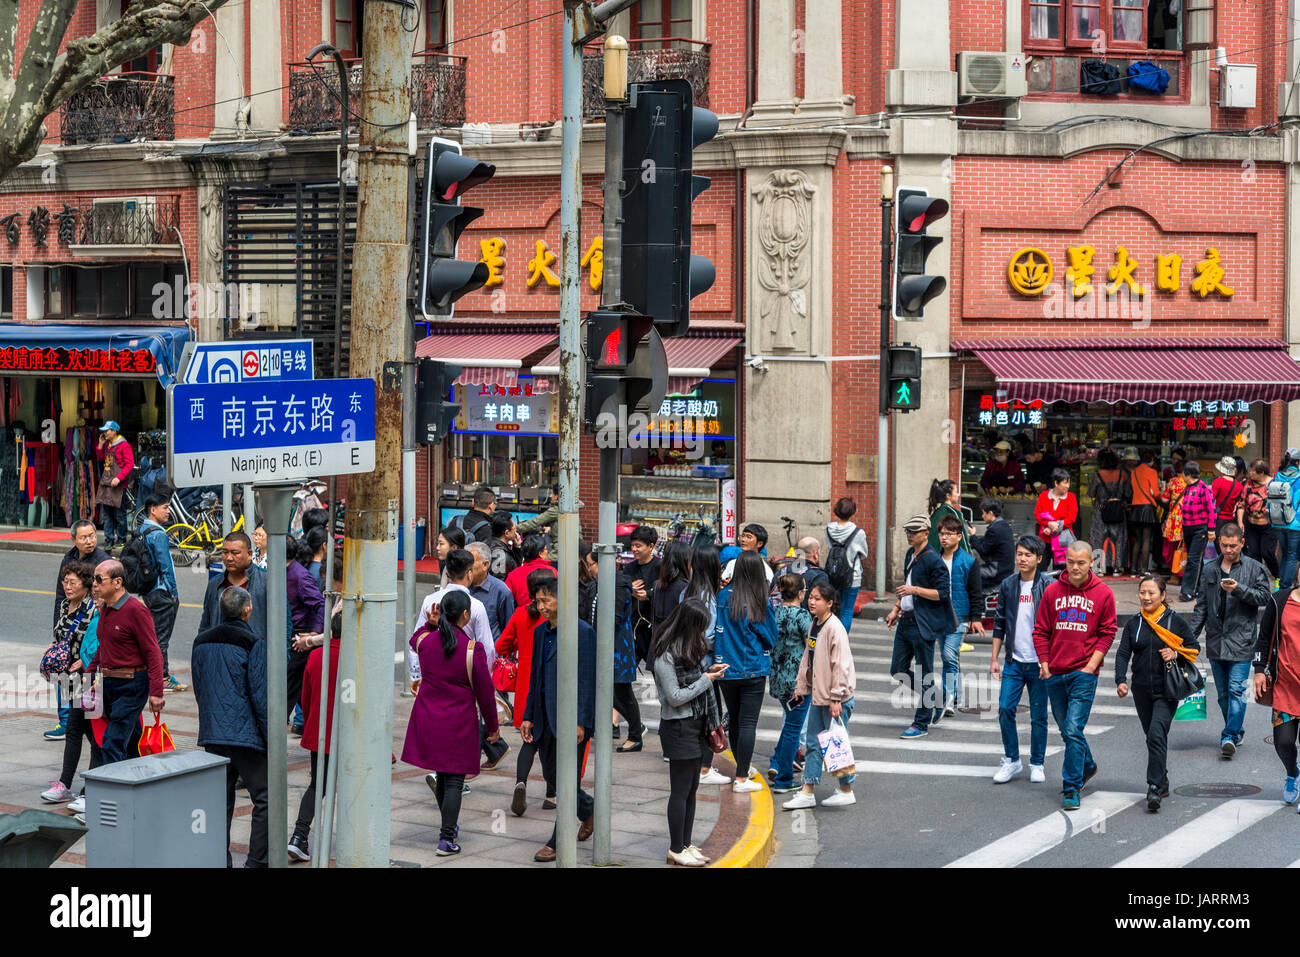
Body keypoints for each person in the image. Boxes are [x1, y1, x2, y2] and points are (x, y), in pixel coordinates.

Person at [402, 589, 500, 857]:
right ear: (465, 615)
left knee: (443, 776)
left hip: (428, 718)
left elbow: (414, 639)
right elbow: (485, 694)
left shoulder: (427, 642)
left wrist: (429, 623)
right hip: (459, 722)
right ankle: (446, 838)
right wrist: (493, 726)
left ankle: (449, 827)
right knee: (454, 780)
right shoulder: (472, 650)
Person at [1032, 541, 1117, 810]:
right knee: (1068, 730)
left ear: (1092, 561)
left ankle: (1071, 787)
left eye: (1081, 562)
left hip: (1084, 673)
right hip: (1055, 671)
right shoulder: (1053, 591)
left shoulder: (1103, 593)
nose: (1075, 567)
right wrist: (1044, 662)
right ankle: (1088, 764)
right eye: (1070, 562)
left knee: (1072, 728)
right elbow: (1041, 630)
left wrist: (1091, 666)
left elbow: (1107, 633)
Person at [191, 586, 269, 867]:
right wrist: (269, 737)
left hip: (213, 733)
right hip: (245, 736)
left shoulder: (201, 641)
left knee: (220, 801)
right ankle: (258, 861)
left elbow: (200, 688)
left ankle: (219, 859)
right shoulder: (253, 642)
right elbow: (260, 696)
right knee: (264, 797)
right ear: (247, 610)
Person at [521, 574, 597, 862]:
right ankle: (588, 809)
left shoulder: (582, 632)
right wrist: (528, 714)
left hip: (571, 720)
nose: (540, 606)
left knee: (566, 782)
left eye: (546, 599)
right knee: (554, 778)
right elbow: (535, 676)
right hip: (544, 718)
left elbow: (587, 679)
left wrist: (581, 721)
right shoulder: (541, 632)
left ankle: (557, 841)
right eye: (537, 601)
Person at [651, 598, 728, 866]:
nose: (702, 634)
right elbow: (674, 696)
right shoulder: (665, 655)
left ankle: (685, 843)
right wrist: (706, 680)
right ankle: (675, 848)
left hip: (697, 723)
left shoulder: (687, 650)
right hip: (679, 727)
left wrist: (709, 672)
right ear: (688, 625)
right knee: (680, 790)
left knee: (691, 789)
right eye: (699, 628)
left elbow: (692, 681)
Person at [1115, 575, 1200, 811]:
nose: (1146, 597)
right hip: (1141, 690)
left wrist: (1175, 653)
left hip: (1167, 690)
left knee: (1155, 735)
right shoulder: (1134, 624)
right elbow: (1123, 653)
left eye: (1151, 593)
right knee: (1153, 737)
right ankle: (1161, 779)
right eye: (1143, 592)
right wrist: (1120, 680)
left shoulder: (1174, 622)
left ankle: (1153, 787)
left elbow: (1193, 648)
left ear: (1163, 596)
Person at [1186, 523, 1270, 757]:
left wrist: (1239, 589)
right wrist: (1189, 638)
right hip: (1216, 640)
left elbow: (1264, 598)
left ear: (1242, 543)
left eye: (1233, 545)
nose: (1229, 550)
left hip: (1242, 641)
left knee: (1235, 691)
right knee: (1223, 695)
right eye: (1224, 545)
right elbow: (1201, 606)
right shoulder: (1211, 569)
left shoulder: (1254, 568)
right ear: (1219, 543)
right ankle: (1236, 730)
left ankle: (1229, 736)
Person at [418, 548, 504, 770]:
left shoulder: (430, 600)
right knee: (465, 724)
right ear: (469, 574)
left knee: (437, 722)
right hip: (466, 675)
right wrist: (483, 678)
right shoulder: (475, 605)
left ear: (447, 572)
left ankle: (442, 768)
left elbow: (417, 639)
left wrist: (416, 674)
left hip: (434, 675)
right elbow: (487, 649)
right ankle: (460, 771)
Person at [782, 581, 857, 809]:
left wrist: (836, 698)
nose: (811, 602)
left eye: (817, 599)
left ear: (830, 603)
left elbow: (841, 666)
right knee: (814, 744)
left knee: (835, 745)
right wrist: (801, 685)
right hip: (820, 696)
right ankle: (807, 791)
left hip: (835, 698)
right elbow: (808, 656)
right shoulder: (815, 623)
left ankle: (846, 790)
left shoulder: (835, 628)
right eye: (811, 597)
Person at [85, 559, 165, 766]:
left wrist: (156, 692)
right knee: (130, 742)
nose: (94, 584)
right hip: (109, 685)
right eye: (93, 579)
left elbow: (153, 652)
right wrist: (88, 677)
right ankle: (137, 783)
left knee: (112, 743)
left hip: (132, 685)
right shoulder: (105, 609)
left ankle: (113, 793)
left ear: (117, 582)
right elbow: (104, 647)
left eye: (99, 579)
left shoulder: (136, 611)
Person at [886, 514, 956, 738]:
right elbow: (907, 586)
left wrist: (915, 590)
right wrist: (896, 609)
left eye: (913, 532)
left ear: (926, 534)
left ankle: (921, 723)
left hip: (922, 623)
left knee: (925, 674)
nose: (909, 534)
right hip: (905, 620)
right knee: (897, 669)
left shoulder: (934, 560)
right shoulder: (910, 553)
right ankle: (936, 697)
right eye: (907, 531)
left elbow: (943, 593)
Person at [990, 535, 1052, 784]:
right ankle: (1012, 759)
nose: (1022, 559)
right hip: (1014, 661)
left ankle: (1037, 763)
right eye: (1019, 554)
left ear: (1038, 558)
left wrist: (1049, 660)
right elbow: (1000, 622)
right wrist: (994, 658)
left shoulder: (1047, 586)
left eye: (1028, 555)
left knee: (1039, 715)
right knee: (1005, 707)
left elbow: (1054, 626)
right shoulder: (1008, 585)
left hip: (1040, 663)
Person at [714, 550, 777, 792]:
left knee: (736, 719)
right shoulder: (758, 599)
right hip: (752, 669)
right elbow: (770, 637)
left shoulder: (721, 597)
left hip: (725, 669)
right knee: (748, 722)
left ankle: (741, 768)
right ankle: (741, 777)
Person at [497, 569, 558, 816]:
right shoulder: (553, 616)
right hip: (551, 683)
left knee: (529, 739)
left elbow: (502, 645)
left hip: (526, 685)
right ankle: (552, 794)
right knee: (551, 744)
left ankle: (521, 781)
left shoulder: (522, 614)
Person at [40, 562, 100, 812]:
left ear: (86, 585)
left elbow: (97, 641)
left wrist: (85, 663)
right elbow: (60, 636)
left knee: (92, 733)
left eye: (72, 582)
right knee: (78, 729)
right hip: (68, 676)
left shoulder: (93, 609)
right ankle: (67, 785)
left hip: (89, 677)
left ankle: (89, 789)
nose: (67, 586)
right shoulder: (65, 605)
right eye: (65, 581)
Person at [47, 521, 109, 740]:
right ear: (73, 539)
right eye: (84, 538)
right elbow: (59, 596)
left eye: (92, 536)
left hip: (89, 624)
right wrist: (57, 638)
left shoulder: (103, 561)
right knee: (62, 670)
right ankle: (65, 722)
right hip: (70, 625)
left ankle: (89, 725)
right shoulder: (68, 558)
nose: (90, 541)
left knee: (85, 679)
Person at [289, 613, 342, 863]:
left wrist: (312, 725)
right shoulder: (358, 658)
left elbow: (305, 698)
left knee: (317, 785)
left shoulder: (316, 656)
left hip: (320, 733)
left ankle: (299, 836)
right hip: (350, 735)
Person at [686, 544, 730, 786]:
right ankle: (704, 769)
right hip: (705, 666)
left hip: (688, 663)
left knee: (695, 716)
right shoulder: (710, 599)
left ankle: (696, 765)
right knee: (711, 717)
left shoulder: (687, 592)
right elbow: (710, 637)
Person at [767, 573, 812, 794]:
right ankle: (784, 778)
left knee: (789, 726)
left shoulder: (774, 612)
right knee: (793, 729)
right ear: (801, 593)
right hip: (798, 682)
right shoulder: (802, 616)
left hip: (778, 678)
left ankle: (777, 764)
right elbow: (810, 649)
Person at [137, 494, 184, 693]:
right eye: (165, 507)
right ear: (153, 509)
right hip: (161, 591)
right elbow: (166, 566)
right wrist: (173, 593)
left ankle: (156, 673)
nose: (168, 511)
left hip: (148, 590)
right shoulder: (158, 534)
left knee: (156, 635)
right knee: (161, 638)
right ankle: (162, 677)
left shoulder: (142, 529)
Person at [937, 514, 983, 715]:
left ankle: (947, 700)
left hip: (959, 617)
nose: (944, 537)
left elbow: (975, 592)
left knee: (948, 656)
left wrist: (976, 618)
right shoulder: (934, 558)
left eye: (948, 534)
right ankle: (957, 696)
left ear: (958, 536)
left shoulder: (969, 562)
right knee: (951, 657)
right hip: (938, 616)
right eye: (941, 533)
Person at [285, 539, 325, 733]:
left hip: (298, 637)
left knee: (287, 687)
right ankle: (309, 726)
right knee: (301, 690)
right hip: (286, 634)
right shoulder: (278, 571)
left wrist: (314, 634)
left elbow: (320, 604)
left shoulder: (300, 575)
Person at [199, 532, 270, 642]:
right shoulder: (214, 584)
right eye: (225, 552)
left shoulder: (266, 581)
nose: (229, 558)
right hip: (221, 652)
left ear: (249, 554)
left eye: (235, 553)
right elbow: (205, 625)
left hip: (254, 654)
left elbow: (283, 625)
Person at [825, 496, 870, 632]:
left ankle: (832, 639)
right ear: (853, 512)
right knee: (846, 611)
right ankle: (842, 642)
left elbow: (829, 547)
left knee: (834, 609)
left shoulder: (829, 529)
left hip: (833, 573)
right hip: (852, 575)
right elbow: (864, 554)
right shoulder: (858, 533)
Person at [1176, 462, 1217, 603]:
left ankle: (1187, 591)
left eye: (1183, 474)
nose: (1182, 477)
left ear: (1188, 475)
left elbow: (1211, 510)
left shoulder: (1204, 489)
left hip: (1200, 528)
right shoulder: (1187, 488)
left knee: (1193, 560)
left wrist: (1211, 530)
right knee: (1196, 560)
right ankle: (1202, 588)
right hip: (1187, 527)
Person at [1088, 448, 1130, 575]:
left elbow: (1091, 493)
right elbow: (1128, 493)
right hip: (1118, 509)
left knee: (1098, 538)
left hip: (1100, 509)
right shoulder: (1122, 474)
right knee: (1118, 538)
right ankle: (1117, 568)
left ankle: (1098, 567)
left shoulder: (1097, 475)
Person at [93, 421, 134, 548]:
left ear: (114, 431)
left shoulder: (124, 445)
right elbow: (100, 459)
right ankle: (109, 539)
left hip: (119, 485)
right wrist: (100, 445)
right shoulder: (108, 445)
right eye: (104, 430)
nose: (105, 432)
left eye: (107, 430)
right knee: (107, 514)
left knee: (120, 514)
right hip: (107, 484)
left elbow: (129, 464)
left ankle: (121, 539)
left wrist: (119, 478)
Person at [467, 541, 515, 641]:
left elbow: (508, 631)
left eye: (469, 563)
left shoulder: (501, 591)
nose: (464, 567)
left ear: (485, 565)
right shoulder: (461, 586)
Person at [627, 524, 661, 664]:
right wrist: (628, 589)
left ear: (650, 546)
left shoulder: (660, 567)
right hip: (633, 628)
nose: (634, 549)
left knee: (658, 672)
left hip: (653, 629)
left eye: (638, 546)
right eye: (632, 545)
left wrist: (649, 594)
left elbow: (667, 592)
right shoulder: (629, 568)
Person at [1125, 447, 1161, 576]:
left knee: (1138, 540)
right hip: (1147, 508)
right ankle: (1144, 570)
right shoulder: (1152, 472)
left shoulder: (1134, 472)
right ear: (1151, 460)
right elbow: (1156, 493)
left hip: (1135, 508)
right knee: (1146, 539)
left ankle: (1133, 570)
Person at [1242, 459, 1279, 580]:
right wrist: (1239, 522)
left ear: (1262, 472)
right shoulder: (1248, 484)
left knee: (1267, 553)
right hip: (1251, 525)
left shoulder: (1274, 483)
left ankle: (1277, 577)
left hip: (1269, 526)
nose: (1250, 473)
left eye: (1253, 471)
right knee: (1253, 553)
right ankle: (1258, 580)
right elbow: (1241, 503)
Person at [1035, 468, 1079, 567]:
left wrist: (1054, 527)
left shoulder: (1071, 497)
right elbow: (1038, 514)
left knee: (1060, 571)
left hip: (1062, 541)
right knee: (1040, 568)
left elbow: (1071, 518)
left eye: (1069, 483)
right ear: (1056, 483)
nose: (1068, 486)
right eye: (1065, 483)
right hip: (1044, 539)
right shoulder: (1044, 495)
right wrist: (1048, 524)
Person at [1271, 449, 1300, 589]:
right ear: (1297, 462)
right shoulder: (1299, 477)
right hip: (1294, 524)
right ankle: (1285, 586)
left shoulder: (1277, 476)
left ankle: (1279, 585)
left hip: (1278, 522)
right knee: (1292, 556)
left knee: (1284, 555)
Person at [503, 533, 553, 609]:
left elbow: (505, 598)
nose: (548, 551)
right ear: (540, 554)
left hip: (521, 617)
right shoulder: (551, 572)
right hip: (547, 617)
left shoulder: (513, 575)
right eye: (546, 549)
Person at [972, 497, 1015, 586]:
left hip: (997, 573)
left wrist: (973, 536)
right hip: (1007, 570)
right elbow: (986, 541)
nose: (982, 516)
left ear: (990, 513)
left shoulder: (994, 529)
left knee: (969, 574)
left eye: (983, 513)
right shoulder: (1004, 525)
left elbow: (983, 550)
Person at [927, 479, 972, 554]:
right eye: (956, 491)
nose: (958, 494)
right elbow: (963, 542)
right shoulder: (954, 513)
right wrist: (969, 560)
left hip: (933, 559)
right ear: (948, 495)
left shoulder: (935, 514)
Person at [1211, 455, 1247, 536]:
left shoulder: (1217, 482)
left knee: (1220, 545)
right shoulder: (1239, 485)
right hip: (1232, 520)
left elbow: (1210, 500)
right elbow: (1239, 503)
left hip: (1218, 519)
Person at [794, 537, 831, 612]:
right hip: (807, 621)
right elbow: (820, 606)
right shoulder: (819, 576)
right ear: (815, 553)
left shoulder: (781, 571)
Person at [486, 511, 521, 580]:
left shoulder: (488, 542)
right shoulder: (499, 556)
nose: (516, 531)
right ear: (507, 533)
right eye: (514, 528)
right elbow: (498, 584)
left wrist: (517, 547)